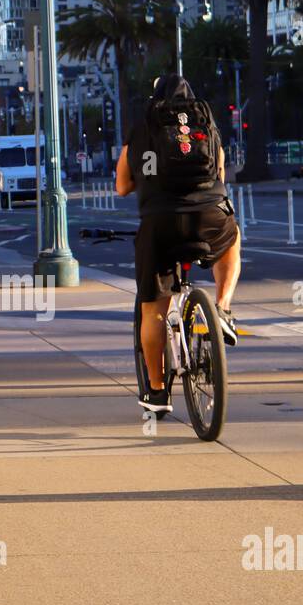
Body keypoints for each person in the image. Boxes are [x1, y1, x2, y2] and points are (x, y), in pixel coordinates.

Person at [116, 74, 241, 415]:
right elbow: (219, 172)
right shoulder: (205, 121)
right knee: (231, 238)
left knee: (153, 309)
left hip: (161, 224)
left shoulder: (143, 128)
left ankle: (157, 392)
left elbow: (121, 186)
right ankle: (223, 307)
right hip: (210, 214)